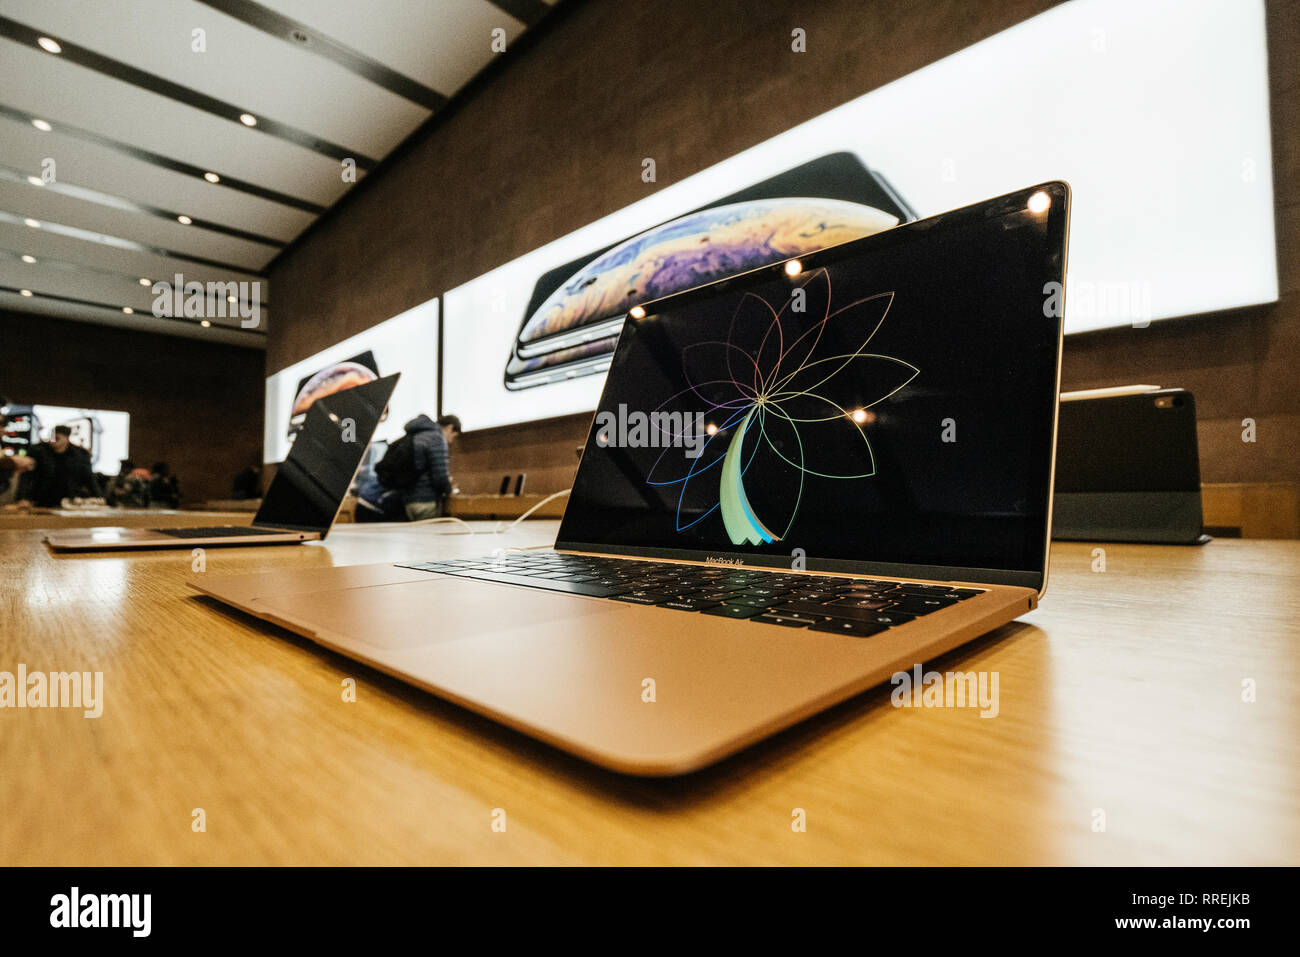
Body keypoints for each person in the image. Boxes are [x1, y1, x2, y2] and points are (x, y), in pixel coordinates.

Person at [16, 425, 98, 508]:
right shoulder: (38, 451)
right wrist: (22, 498)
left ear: (66, 438)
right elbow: (26, 477)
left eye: (57, 438)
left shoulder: (80, 454)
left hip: (69, 499)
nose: (53, 440)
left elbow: (89, 476)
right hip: (40, 498)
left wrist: (98, 496)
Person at [401, 413, 460, 521]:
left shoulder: (415, 435)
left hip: (408, 501)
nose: (451, 441)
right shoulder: (437, 439)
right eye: (454, 436)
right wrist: (449, 489)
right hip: (426, 501)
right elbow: (440, 476)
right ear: (449, 427)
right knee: (428, 537)